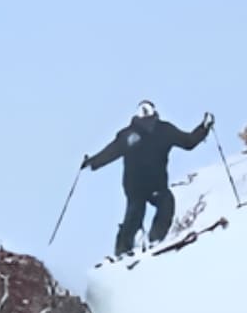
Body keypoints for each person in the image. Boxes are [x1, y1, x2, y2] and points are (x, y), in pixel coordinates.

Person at [84, 100, 214, 258]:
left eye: (147, 110)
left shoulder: (164, 130)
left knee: (165, 203)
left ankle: (155, 239)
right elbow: (111, 152)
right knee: (135, 212)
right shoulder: (128, 134)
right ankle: (122, 252)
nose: (145, 113)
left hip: (156, 185)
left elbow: (188, 142)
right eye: (142, 110)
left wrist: (204, 128)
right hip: (135, 185)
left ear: (153, 112)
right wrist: (92, 162)